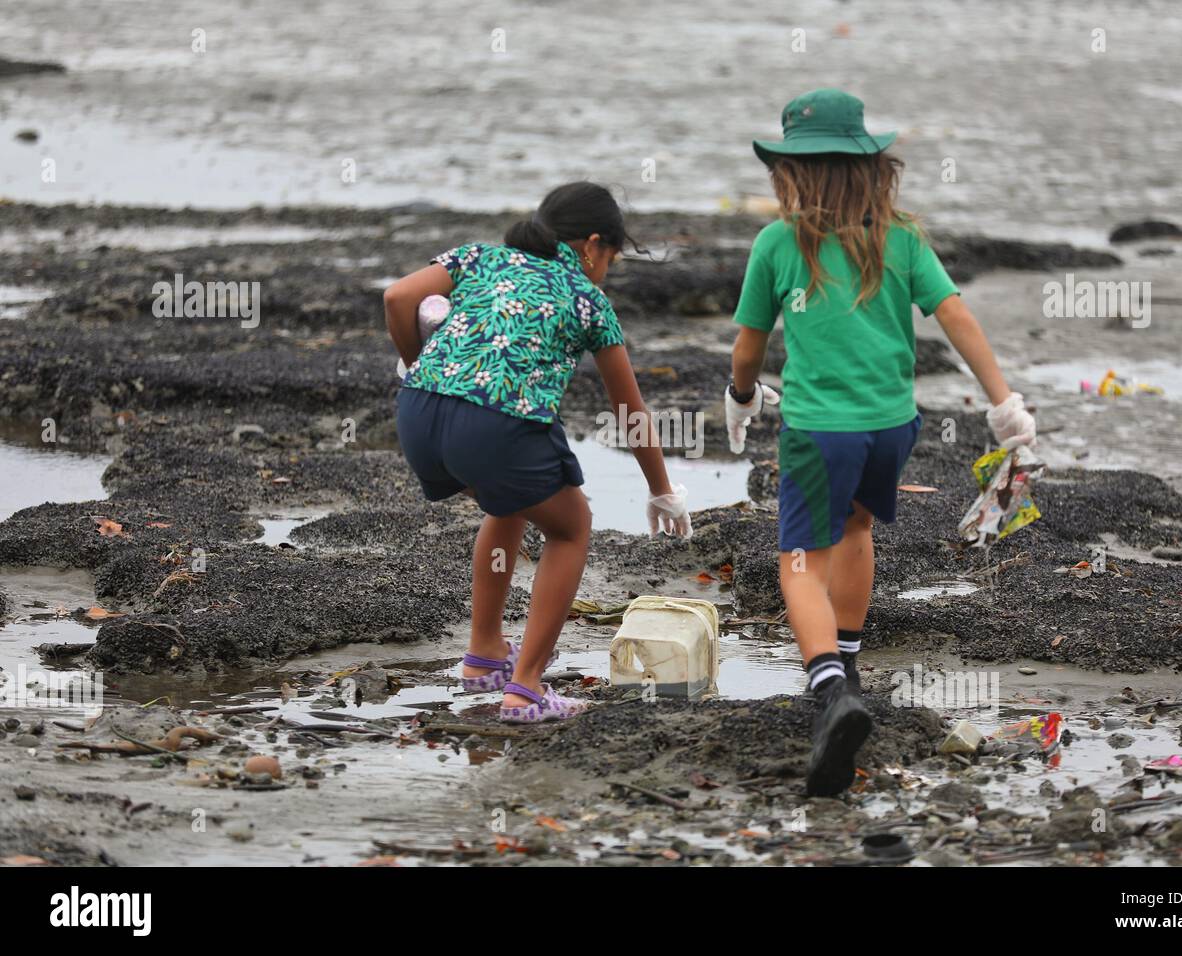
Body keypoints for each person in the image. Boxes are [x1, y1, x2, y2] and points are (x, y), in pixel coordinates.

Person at [725, 89, 1036, 795]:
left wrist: (740, 398)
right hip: (892, 426)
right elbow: (953, 313)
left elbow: (748, 349)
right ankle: (852, 660)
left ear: (791, 173)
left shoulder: (777, 243)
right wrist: (1003, 400)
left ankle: (831, 689)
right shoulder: (902, 238)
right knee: (858, 525)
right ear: (869, 166)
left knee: (801, 560)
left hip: (817, 429)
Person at [385, 181, 691, 724]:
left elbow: (398, 297)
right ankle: (525, 690)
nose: (606, 270)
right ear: (594, 245)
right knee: (571, 526)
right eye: (612, 259)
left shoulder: (480, 256)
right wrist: (662, 491)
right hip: (494, 423)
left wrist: (421, 364)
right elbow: (629, 411)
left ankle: (484, 656)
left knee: (506, 503)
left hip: (417, 416)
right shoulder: (587, 298)